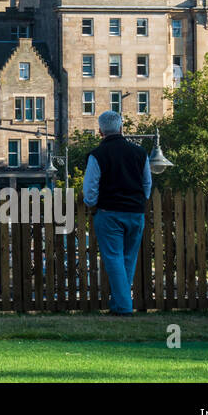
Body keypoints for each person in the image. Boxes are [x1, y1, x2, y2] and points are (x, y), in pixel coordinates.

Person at [83, 110, 152, 316]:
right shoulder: (140, 153)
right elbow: (147, 183)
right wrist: (139, 201)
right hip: (135, 212)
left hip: (109, 212)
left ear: (100, 131)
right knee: (128, 259)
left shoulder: (97, 155)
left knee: (113, 258)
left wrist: (91, 204)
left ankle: (123, 307)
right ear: (122, 128)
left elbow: (90, 188)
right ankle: (119, 304)